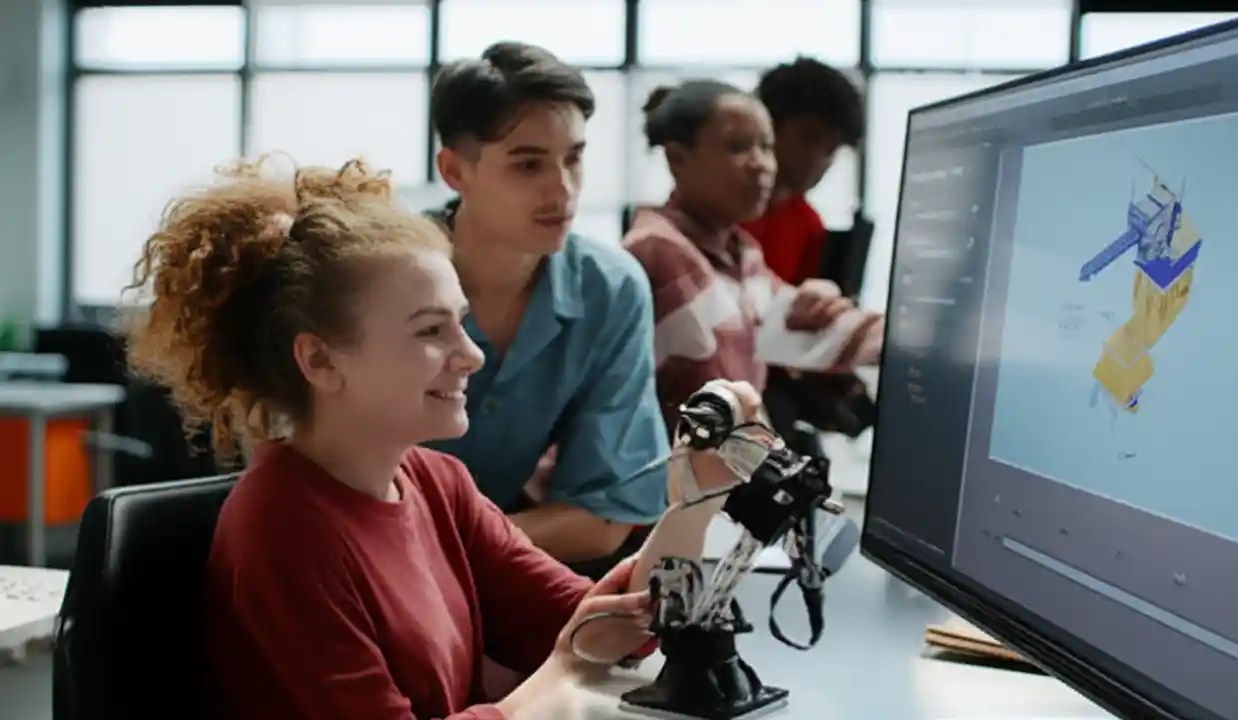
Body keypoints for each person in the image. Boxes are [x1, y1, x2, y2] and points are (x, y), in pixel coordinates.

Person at [122, 156, 765, 719]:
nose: (472, 355)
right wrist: (563, 673)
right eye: (431, 332)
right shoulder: (283, 531)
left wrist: (694, 501)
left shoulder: (437, 483)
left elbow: (607, 627)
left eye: (461, 323)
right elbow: (576, 653)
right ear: (319, 360)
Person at [423, 41, 669, 574]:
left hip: (481, 567)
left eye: (574, 158)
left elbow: (605, 514)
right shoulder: (380, 278)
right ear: (455, 171)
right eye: (529, 164)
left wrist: (445, 549)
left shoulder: (609, 289)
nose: (563, 190)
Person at [623, 81, 884, 435]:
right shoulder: (657, 251)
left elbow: (786, 319)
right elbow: (719, 410)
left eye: (766, 147)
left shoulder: (741, 252)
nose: (761, 164)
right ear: (678, 159)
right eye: (737, 147)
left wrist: (814, 307)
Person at [740, 57, 865, 286]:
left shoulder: (809, 225)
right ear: (768, 126)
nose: (819, 159)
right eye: (810, 137)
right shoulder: (717, 211)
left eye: (832, 149)